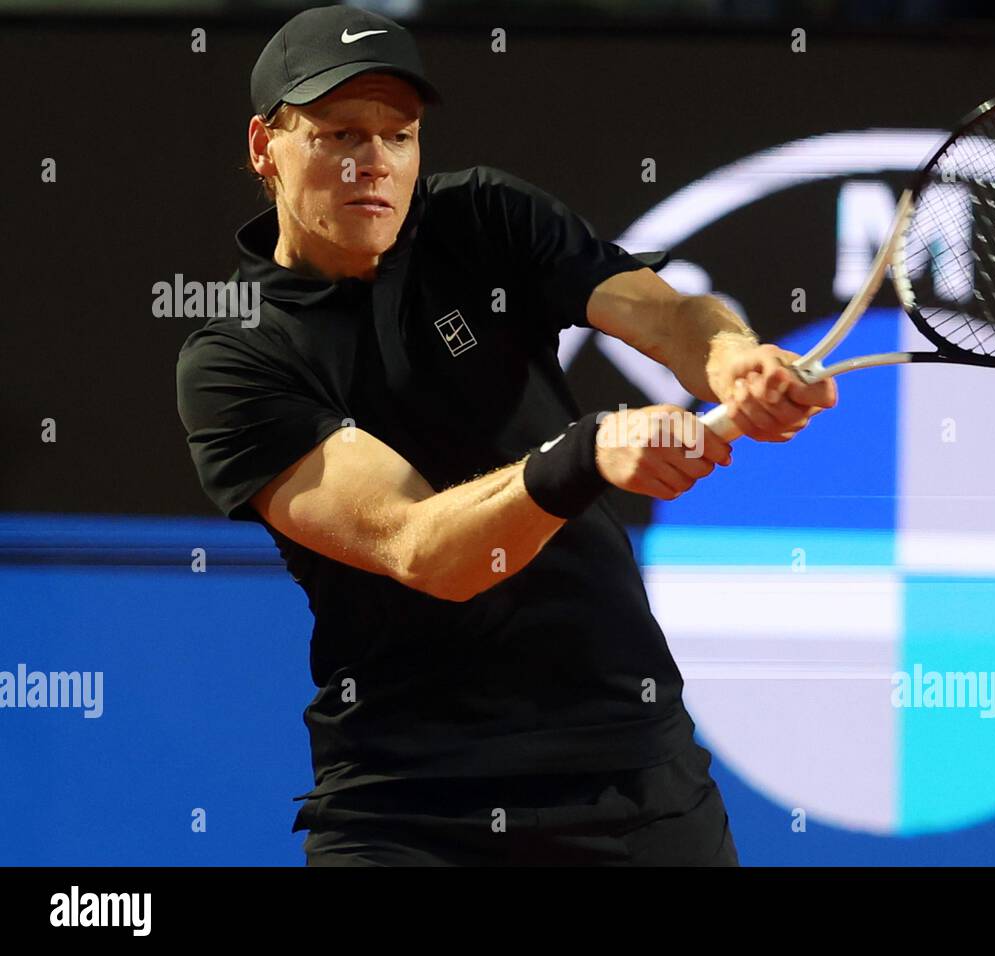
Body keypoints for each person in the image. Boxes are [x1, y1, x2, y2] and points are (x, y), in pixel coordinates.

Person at [175, 4, 835, 866]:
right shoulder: (234, 359)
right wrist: (587, 452)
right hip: (407, 811)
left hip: (633, 780)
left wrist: (733, 360)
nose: (374, 162)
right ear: (266, 147)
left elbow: (666, 315)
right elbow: (421, 547)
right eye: (339, 134)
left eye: (399, 135)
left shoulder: (483, 218)